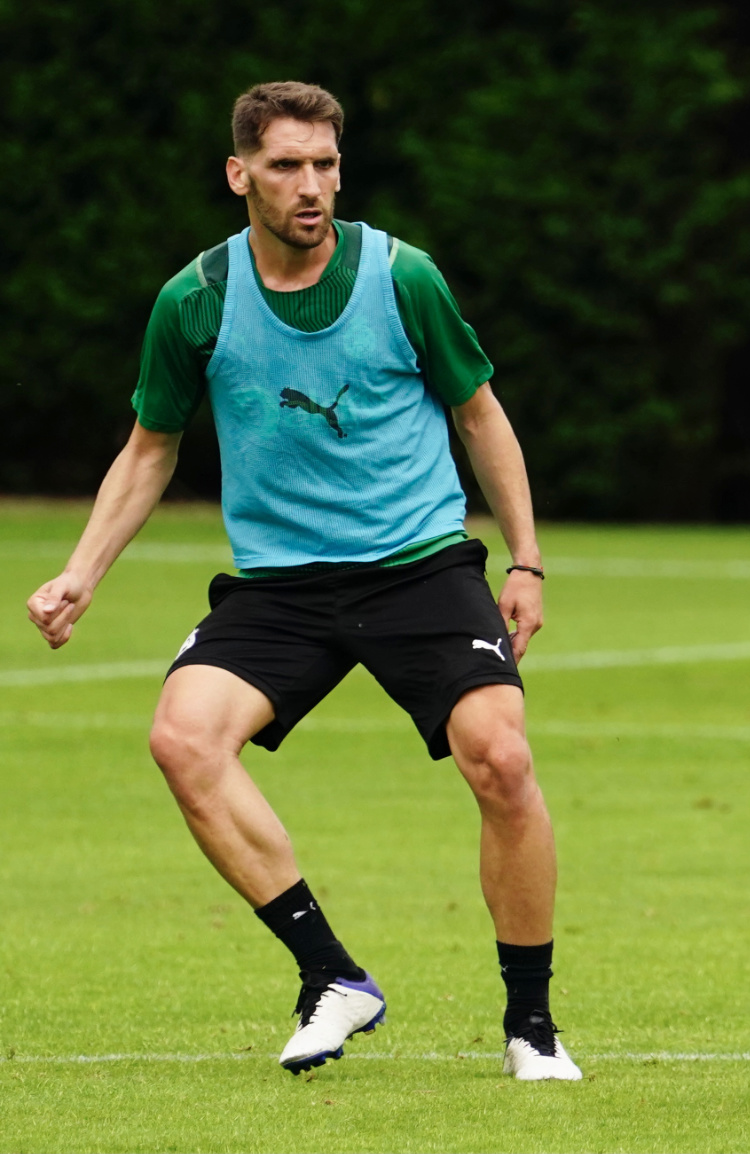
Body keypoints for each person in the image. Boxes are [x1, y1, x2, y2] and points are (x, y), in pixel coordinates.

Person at [25, 82, 582, 1081]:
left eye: (325, 164)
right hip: (280, 585)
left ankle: (531, 1022)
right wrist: (82, 571)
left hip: (417, 565)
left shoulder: (404, 277)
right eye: (286, 166)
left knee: (498, 755)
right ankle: (332, 975)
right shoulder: (194, 299)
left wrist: (525, 558)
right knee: (181, 738)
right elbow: (151, 446)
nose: (311, 185)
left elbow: (481, 414)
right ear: (240, 175)